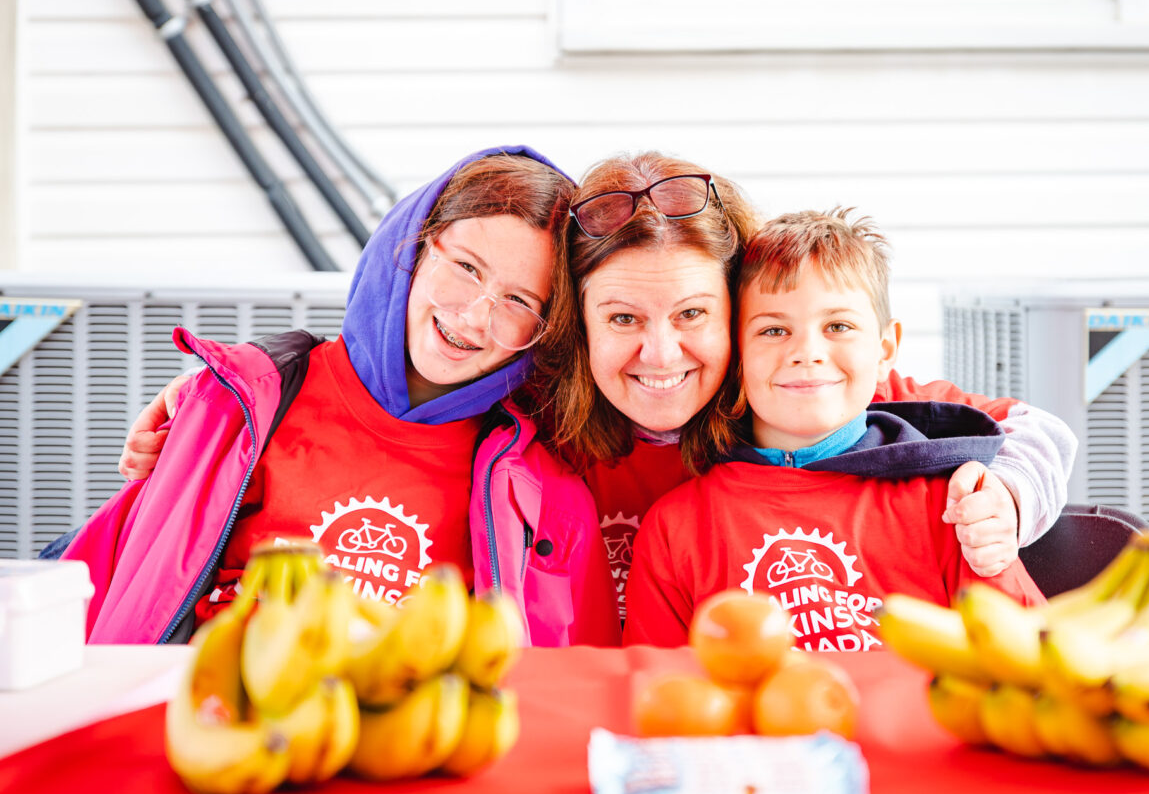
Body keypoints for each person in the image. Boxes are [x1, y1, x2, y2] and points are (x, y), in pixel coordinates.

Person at [114, 151, 1075, 625]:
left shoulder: (797, 391)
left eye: (694, 316)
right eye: (622, 319)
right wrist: (237, 409)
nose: (661, 355)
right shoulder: (517, 420)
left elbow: (1021, 426)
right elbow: (393, 392)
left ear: (740, 317)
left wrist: (1011, 494)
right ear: (571, 326)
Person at [58, 145, 621, 648]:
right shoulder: (243, 406)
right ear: (412, 247)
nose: (475, 316)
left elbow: (575, 678)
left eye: (521, 302)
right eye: (467, 268)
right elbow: (112, 589)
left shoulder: (545, 482)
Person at [622, 208, 1046, 649]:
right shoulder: (677, 528)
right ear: (736, 352)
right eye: (773, 330)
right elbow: (662, 695)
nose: (807, 352)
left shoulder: (952, 506)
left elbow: (1028, 664)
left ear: (885, 349)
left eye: (838, 326)